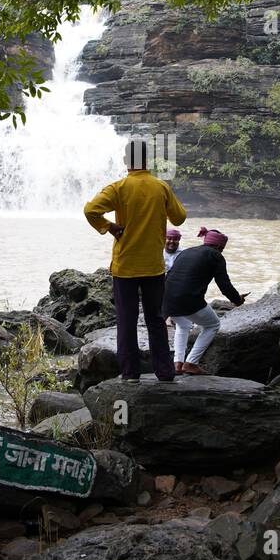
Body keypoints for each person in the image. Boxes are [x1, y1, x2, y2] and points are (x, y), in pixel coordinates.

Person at [84, 139, 187, 382]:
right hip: (153, 267)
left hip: (125, 267)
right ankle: (164, 371)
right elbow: (180, 219)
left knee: (126, 322)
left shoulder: (118, 188)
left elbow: (90, 210)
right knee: (156, 320)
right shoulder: (160, 187)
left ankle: (130, 374)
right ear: (148, 161)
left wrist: (109, 227)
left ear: (125, 161)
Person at [163, 227, 247, 375]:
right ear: (219, 246)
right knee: (213, 325)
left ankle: (178, 363)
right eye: (222, 249)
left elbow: (171, 276)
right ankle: (191, 363)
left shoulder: (187, 251)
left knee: (183, 325)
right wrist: (237, 300)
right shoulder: (216, 256)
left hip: (167, 299)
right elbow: (224, 285)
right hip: (188, 299)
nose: (221, 251)